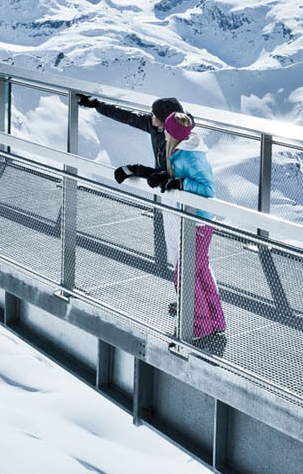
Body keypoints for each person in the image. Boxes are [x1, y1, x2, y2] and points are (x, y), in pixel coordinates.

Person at [78, 94, 227, 339]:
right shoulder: (172, 135)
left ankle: (199, 326)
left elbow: (204, 187)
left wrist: (176, 181)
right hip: (187, 215)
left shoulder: (187, 150)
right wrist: (137, 170)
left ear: (169, 125)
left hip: (195, 219)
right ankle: (213, 320)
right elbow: (126, 117)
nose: (150, 119)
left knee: (185, 274)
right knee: (198, 271)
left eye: (154, 115)